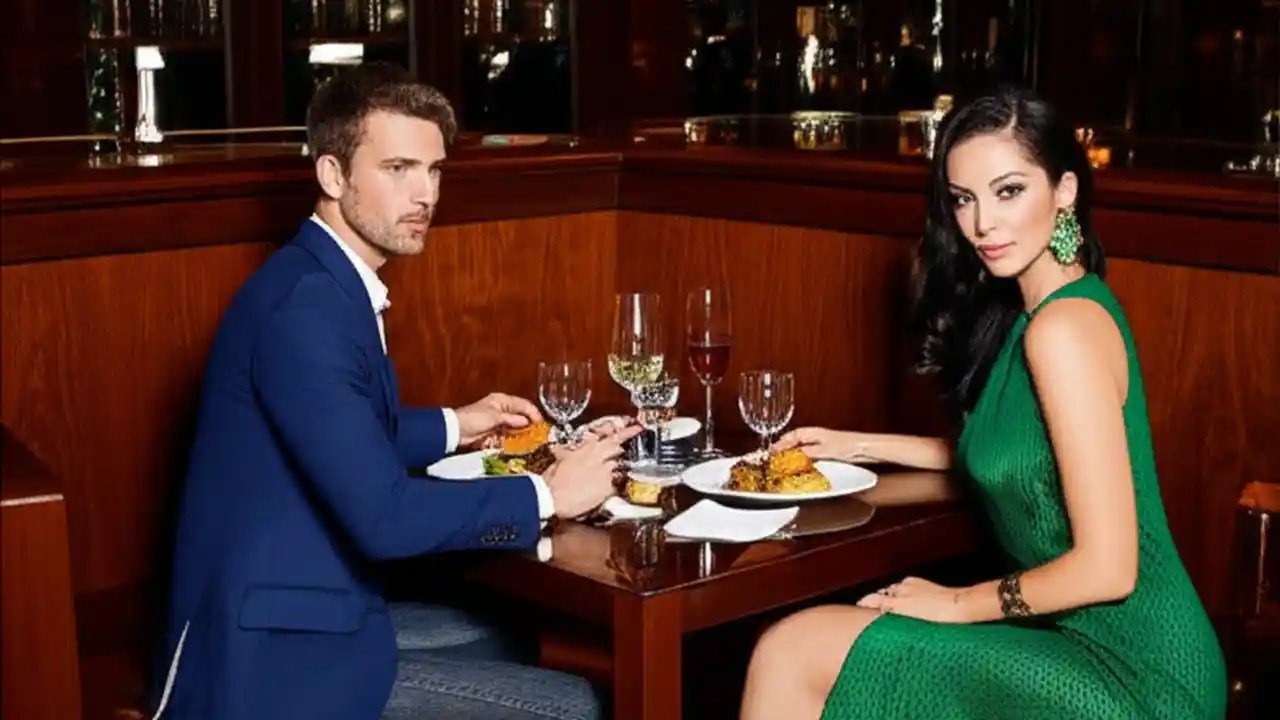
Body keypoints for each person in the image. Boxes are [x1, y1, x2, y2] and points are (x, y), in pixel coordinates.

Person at [151, 62, 639, 720]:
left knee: (504, 633)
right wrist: (548, 494)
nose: (424, 195)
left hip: (302, 603)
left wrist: (457, 424)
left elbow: (332, 427)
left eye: (433, 170)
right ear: (332, 175)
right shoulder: (307, 312)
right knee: (576, 705)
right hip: (264, 659)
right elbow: (384, 520)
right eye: (398, 169)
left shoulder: (321, 277)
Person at [739, 85, 1227, 719]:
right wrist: (857, 446)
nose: (982, 225)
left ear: (1066, 190)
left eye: (1008, 191)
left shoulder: (1062, 330)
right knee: (794, 648)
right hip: (1080, 643)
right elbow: (1010, 452)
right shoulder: (1038, 314)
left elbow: (1110, 569)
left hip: (1136, 673)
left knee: (790, 652)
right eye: (963, 199)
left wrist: (957, 603)